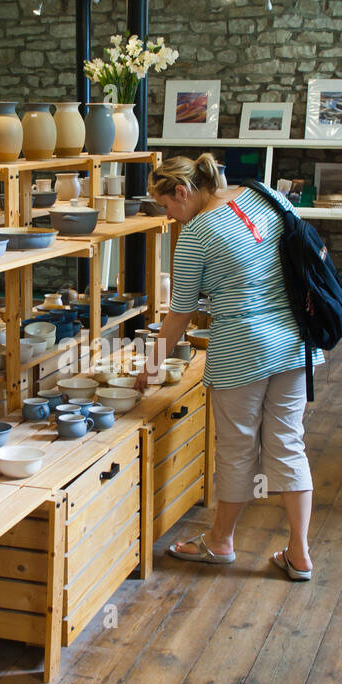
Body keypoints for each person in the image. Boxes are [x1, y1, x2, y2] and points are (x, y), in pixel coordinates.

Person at [136, 153, 321, 581]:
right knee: (289, 443)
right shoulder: (266, 194)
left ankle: (220, 542)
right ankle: (299, 552)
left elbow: (179, 315)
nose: (169, 217)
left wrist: (151, 366)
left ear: (182, 192)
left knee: (237, 449)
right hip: (295, 341)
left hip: (242, 352)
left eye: (167, 207)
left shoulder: (196, 234)